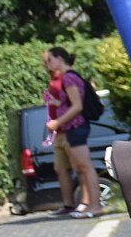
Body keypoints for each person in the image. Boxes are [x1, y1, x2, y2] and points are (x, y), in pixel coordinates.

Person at [41, 46, 103, 217]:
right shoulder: (69, 77)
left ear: (60, 58)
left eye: (50, 60)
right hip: (73, 128)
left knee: (85, 167)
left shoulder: (68, 78)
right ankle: (91, 205)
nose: (48, 64)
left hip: (75, 127)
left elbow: (77, 106)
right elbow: (70, 104)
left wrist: (57, 122)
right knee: (82, 167)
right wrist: (56, 103)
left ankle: (95, 206)